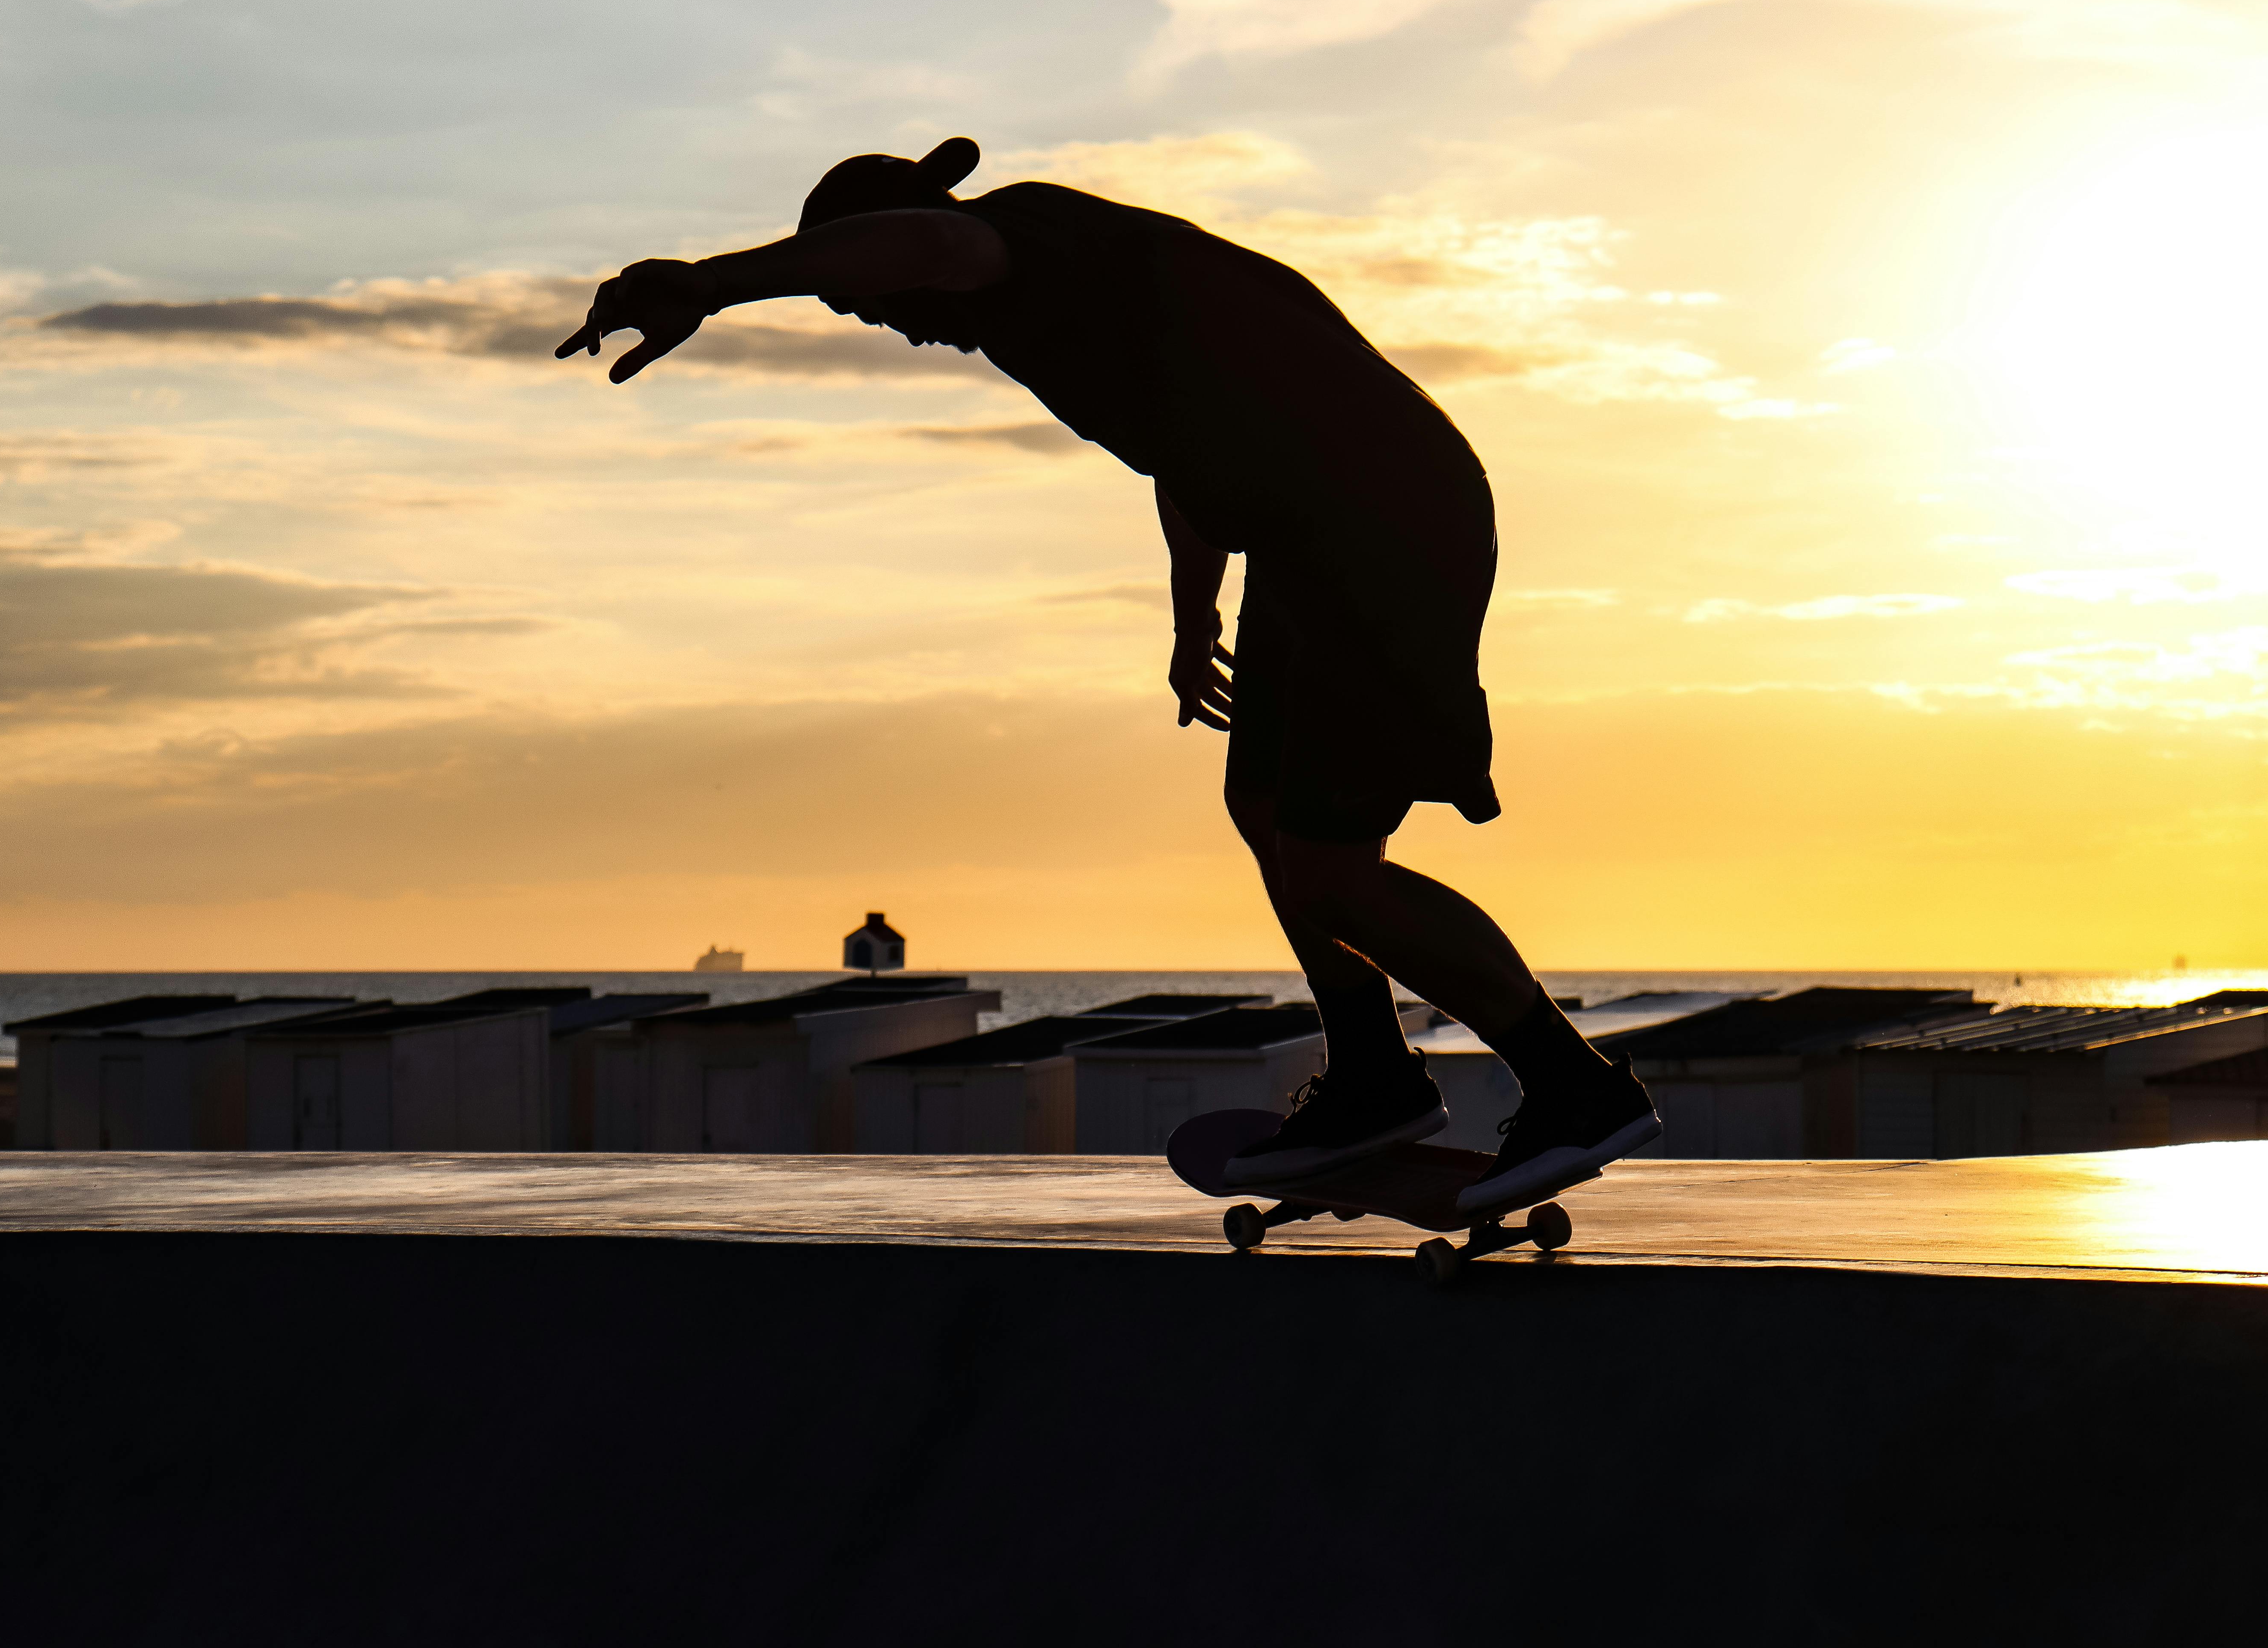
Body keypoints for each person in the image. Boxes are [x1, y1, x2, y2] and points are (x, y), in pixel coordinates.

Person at [558, 137, 1658, 1214]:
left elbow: (925, 241)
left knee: (1331, 864)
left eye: (870, 299)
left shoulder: (1018, 246)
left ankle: (1573, 1084)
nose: (884, 322)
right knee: (1263, 807)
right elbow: (1184, 445)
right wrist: (1195, 608)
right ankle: (1374, 1073)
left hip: (1381, 524)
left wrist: (705, 282)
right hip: (1307, 530)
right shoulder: (1089, 285)